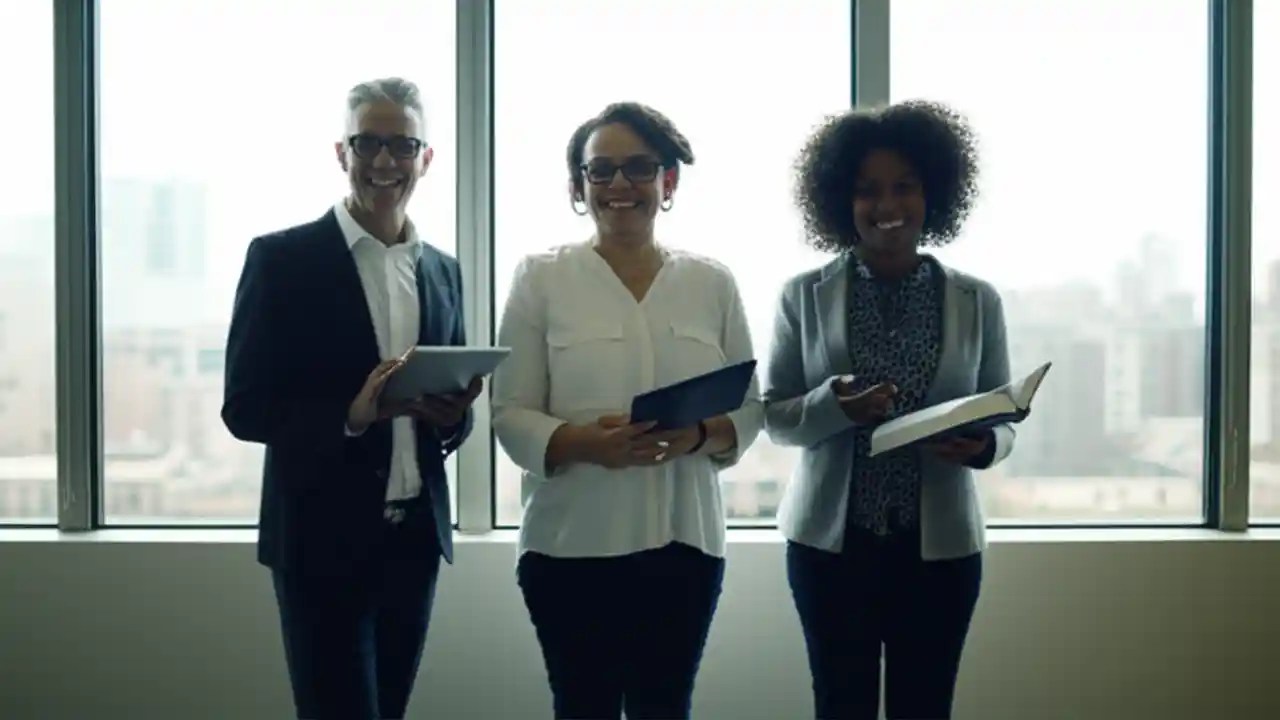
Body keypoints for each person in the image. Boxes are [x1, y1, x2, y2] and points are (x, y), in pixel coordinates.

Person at [491, 101, 763, 720]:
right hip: (569, 551)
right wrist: (589, 444)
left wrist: (696, 435)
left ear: (667, 182)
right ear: (577, 186)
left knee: (665, 708)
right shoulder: (540, 279)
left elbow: (749, 407)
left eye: (640, 168)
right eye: (600, 171)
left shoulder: (712, 282)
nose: (619, 185)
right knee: (581, 707)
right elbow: (509, 413)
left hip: (685, 548)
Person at [221, 77, 480, 720]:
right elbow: (245, 406)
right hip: (318, 545)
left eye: (402, 145)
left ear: (425, 157)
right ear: (342, 152)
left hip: (413, 541)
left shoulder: (443, 270)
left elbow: (447, 409)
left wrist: (454, 419)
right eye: (369, 143)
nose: (385, 162)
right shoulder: (282, 260)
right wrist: (353, 416)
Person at [762, 100, 1015, 720]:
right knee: (840, 705)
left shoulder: (976, 300)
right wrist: (834, 407)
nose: (888, 206)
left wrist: (985, 447)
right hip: (831, 550)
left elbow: (1003, 415)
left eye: (905, 187)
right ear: (839, 202)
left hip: (939, 551)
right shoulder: (802, 295)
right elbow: (774, 415)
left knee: (925, 707)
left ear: (934, 194)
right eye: (868, 190)